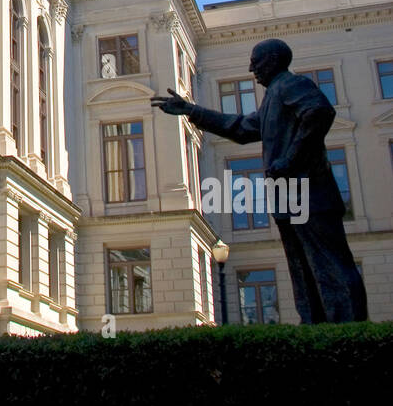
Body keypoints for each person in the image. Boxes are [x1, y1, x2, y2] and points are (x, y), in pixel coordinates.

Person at [152, 38, 368, 323]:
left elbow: (319, 112)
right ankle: (317, 328)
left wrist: (290, 159)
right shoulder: (274, 96)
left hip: (309, 191)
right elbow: (241, 128)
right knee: (303, 268)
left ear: (275, 60)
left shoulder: (292, 85)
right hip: (291, 194)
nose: (251, 67)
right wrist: (192, 111)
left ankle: (346, 333)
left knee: (330, 266)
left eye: (257, 60)